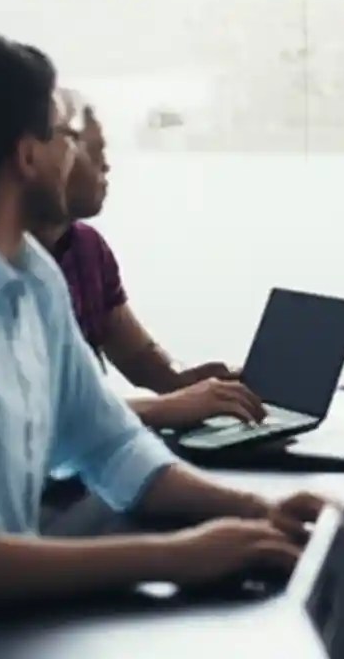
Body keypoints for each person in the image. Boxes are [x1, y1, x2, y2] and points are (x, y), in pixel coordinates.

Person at [0, 32, 325, 638]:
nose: (77, 154)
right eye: (65, 136)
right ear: (27, 156)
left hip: (4, 623)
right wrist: (174, 557)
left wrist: (259, 513)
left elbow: (109, 445)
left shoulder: (33, 276)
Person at [30, 88, 265, 430]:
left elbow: (140, 359)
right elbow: (42, 415)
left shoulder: (86, 247)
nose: (107, 165)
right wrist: (169, 407)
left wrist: (201, 384)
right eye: (95, 151)